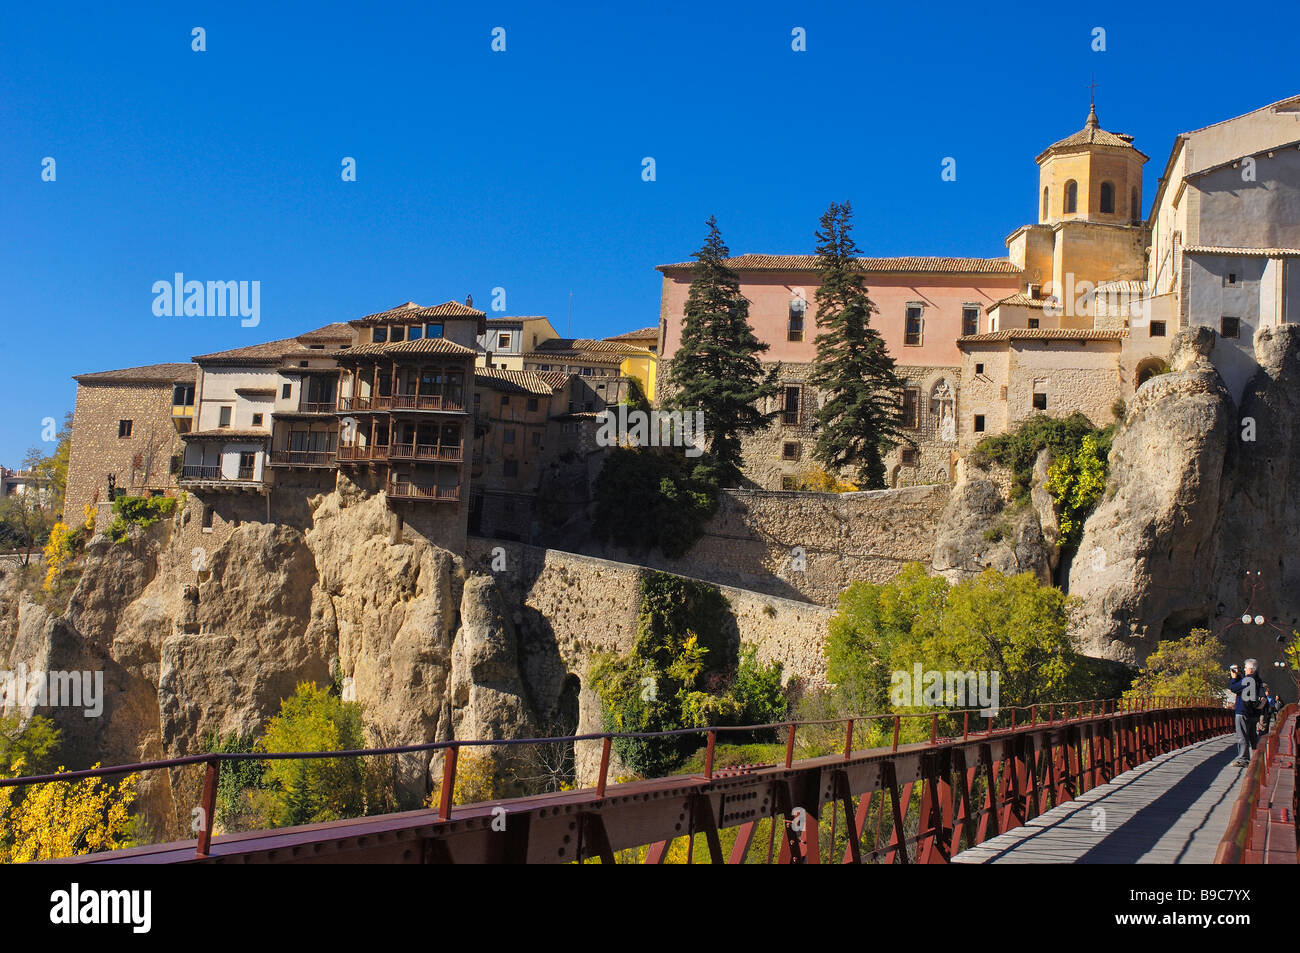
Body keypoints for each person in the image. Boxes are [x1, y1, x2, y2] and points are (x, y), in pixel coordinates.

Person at [1228, 660, 1261, 766]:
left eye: (1245, 667)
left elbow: (1234, 688)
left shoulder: (1248, 679)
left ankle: (1243, 758)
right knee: (1252, 736)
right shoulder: (1257, 679)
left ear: (1250, 669)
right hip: (1252, 711)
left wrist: (1233, 678)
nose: (1244, 669)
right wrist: (1239, 677)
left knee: (1242, 735)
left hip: (1243, 710)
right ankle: (1256, 757)